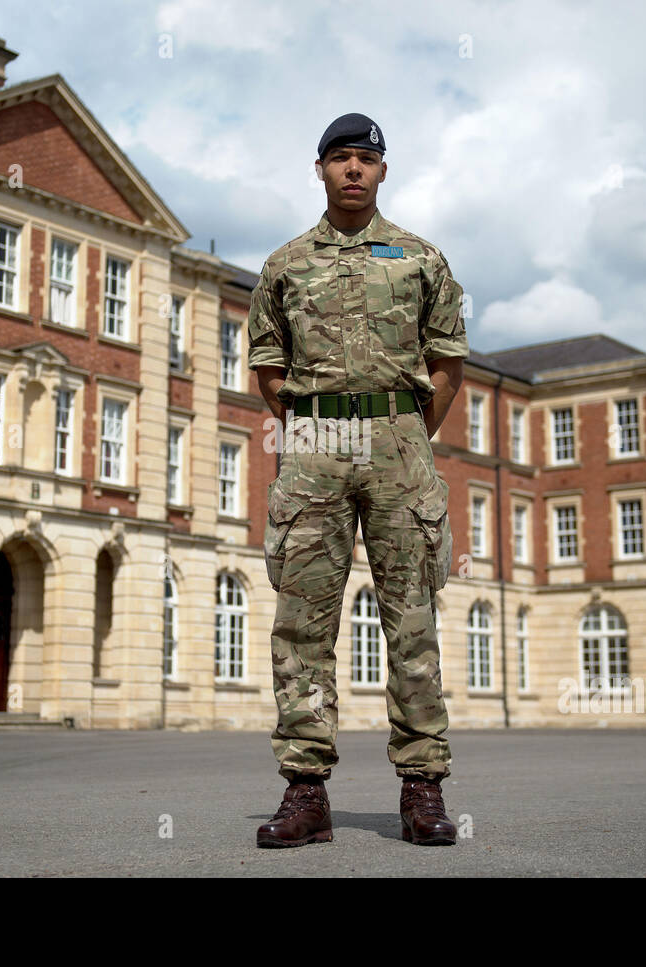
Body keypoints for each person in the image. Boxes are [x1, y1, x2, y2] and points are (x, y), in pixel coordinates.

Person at [247, 112, 468, 847]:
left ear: (381, 171)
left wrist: (400, 429)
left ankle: (422, 788)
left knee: (411, 618)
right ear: (319, 169)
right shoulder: (284, 264)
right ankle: (305, 789)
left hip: (400, 441)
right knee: (303, 620)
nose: (352, 169)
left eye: (364, 159)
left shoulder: (421, 258)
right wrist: (315, 427)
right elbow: (268, 368)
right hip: (313, 442)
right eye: (339, 158)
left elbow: (447, 362)